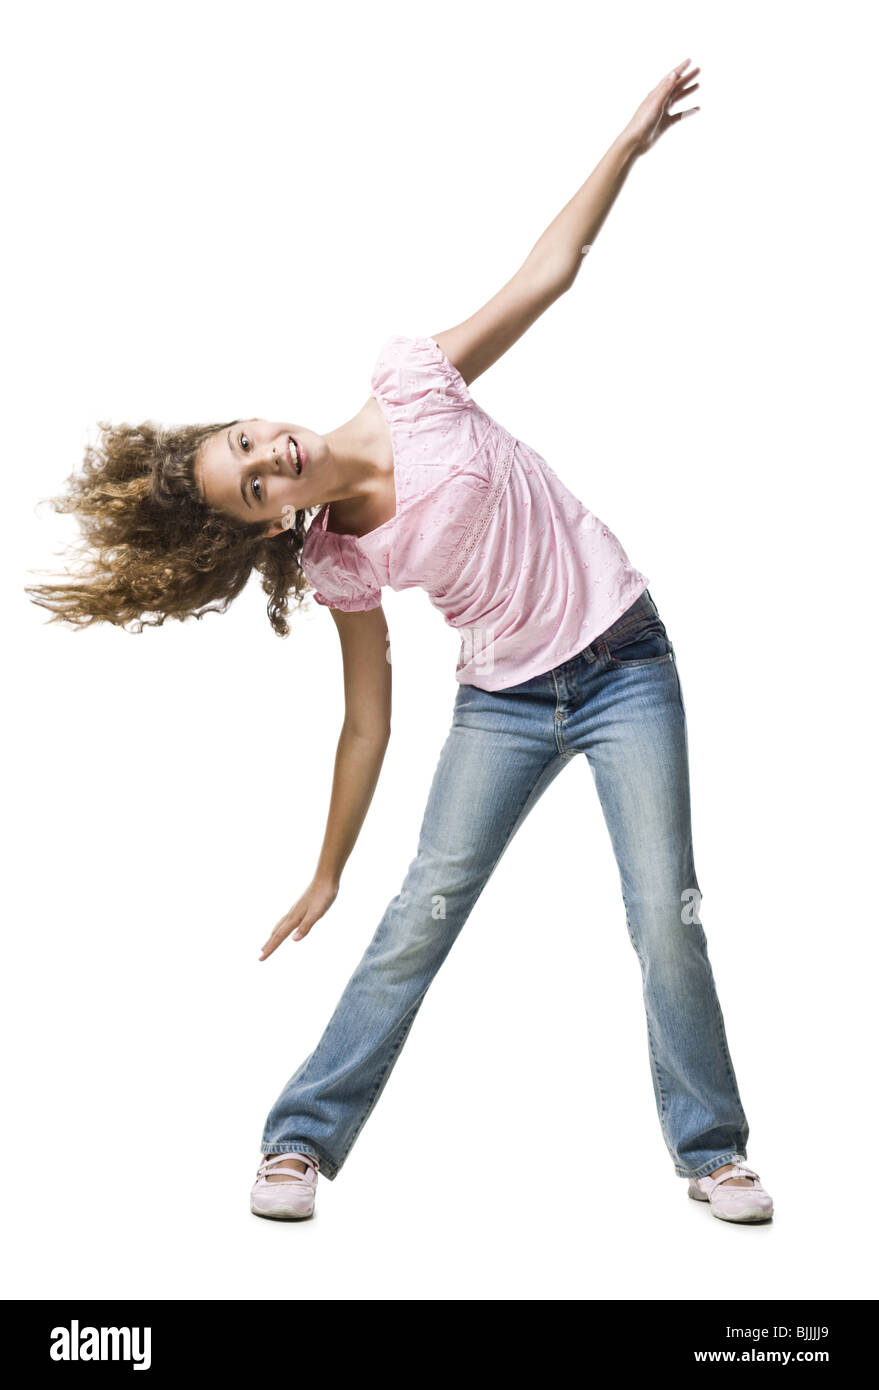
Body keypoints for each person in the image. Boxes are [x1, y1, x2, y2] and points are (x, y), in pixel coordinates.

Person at [27, 59, 773, 1226]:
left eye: (249, 440)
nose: (273, 457)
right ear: (266, 521)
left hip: (626, 663)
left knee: (663, 907)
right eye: (253, 484)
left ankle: (713, 1149)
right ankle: (299, 1144)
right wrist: (327, 867)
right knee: (419, 914)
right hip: (506, 706)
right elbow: (366, 717)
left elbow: (548, 275)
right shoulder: (338, 558)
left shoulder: (411, 382)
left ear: (253, 415)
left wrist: (627, 144)